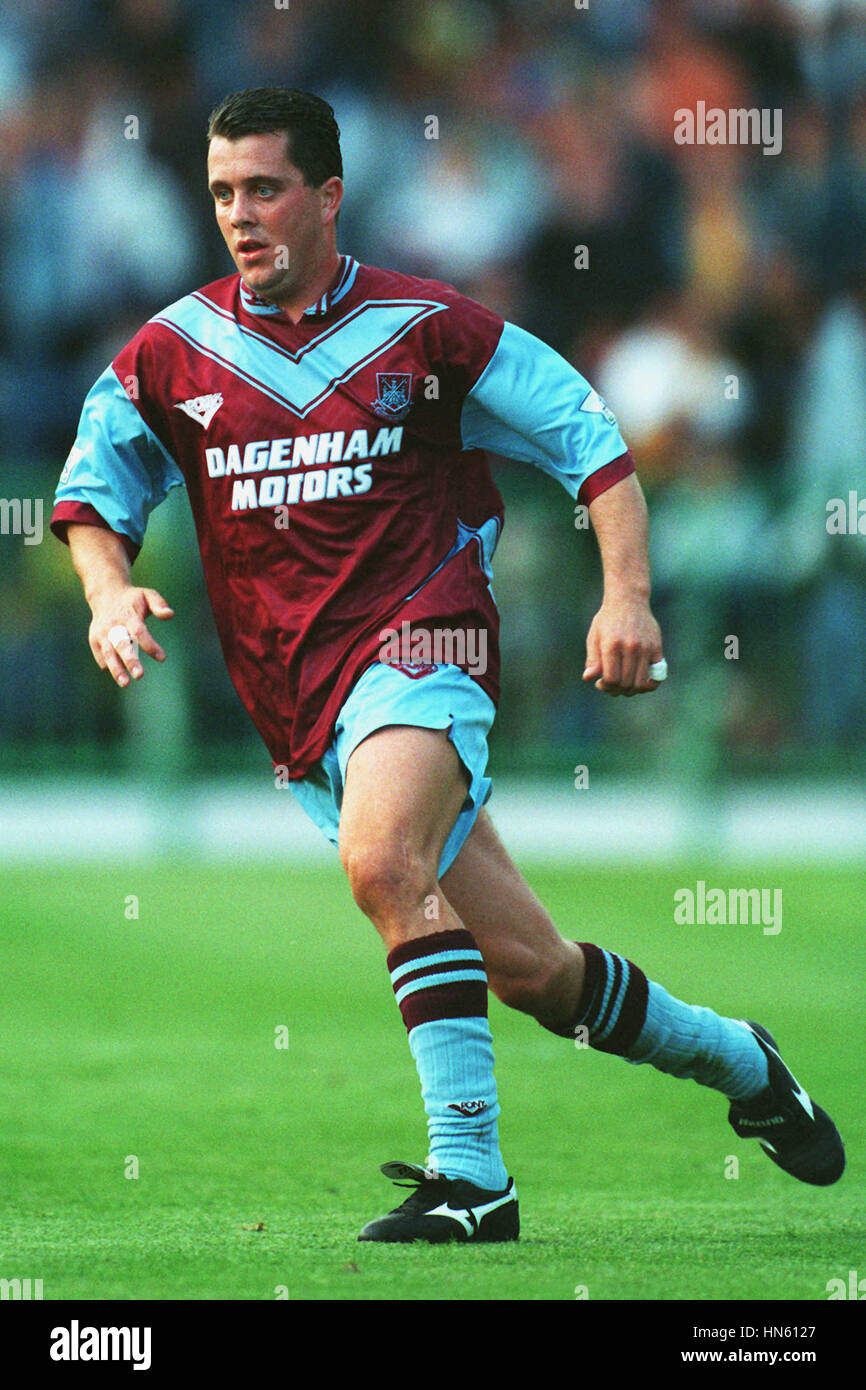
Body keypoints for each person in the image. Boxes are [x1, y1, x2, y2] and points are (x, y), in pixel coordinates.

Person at [52, 88, 844, 1244]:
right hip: (305, 705)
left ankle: (471, 1176)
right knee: (533, 972)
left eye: (265, 188)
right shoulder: (175, 352)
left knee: (382, 858)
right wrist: (108, 588)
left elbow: (591, 438)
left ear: (327, 196)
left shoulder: (428, 330)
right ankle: (743, 1063)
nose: (240, 214)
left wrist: (626, 595)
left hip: (426, 646)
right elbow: (88, 492)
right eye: (222, 193)